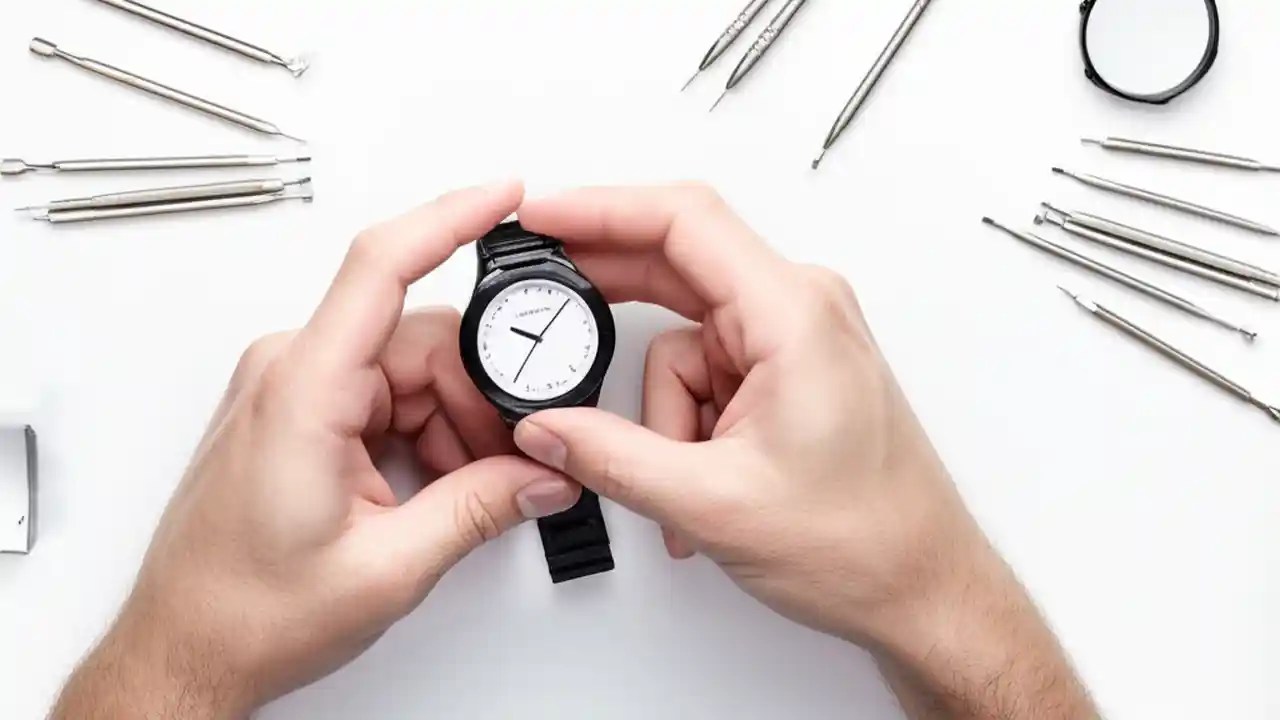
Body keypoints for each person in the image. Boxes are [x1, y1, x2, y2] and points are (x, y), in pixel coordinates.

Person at [50, 182, 1098, 720]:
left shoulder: (547, 344)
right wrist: (943, 599)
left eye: (547, 330)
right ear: (490, 340)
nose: (544, 337)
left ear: (581, 322)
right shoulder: (533, 342)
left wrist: (166, 666)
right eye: (529, 335)